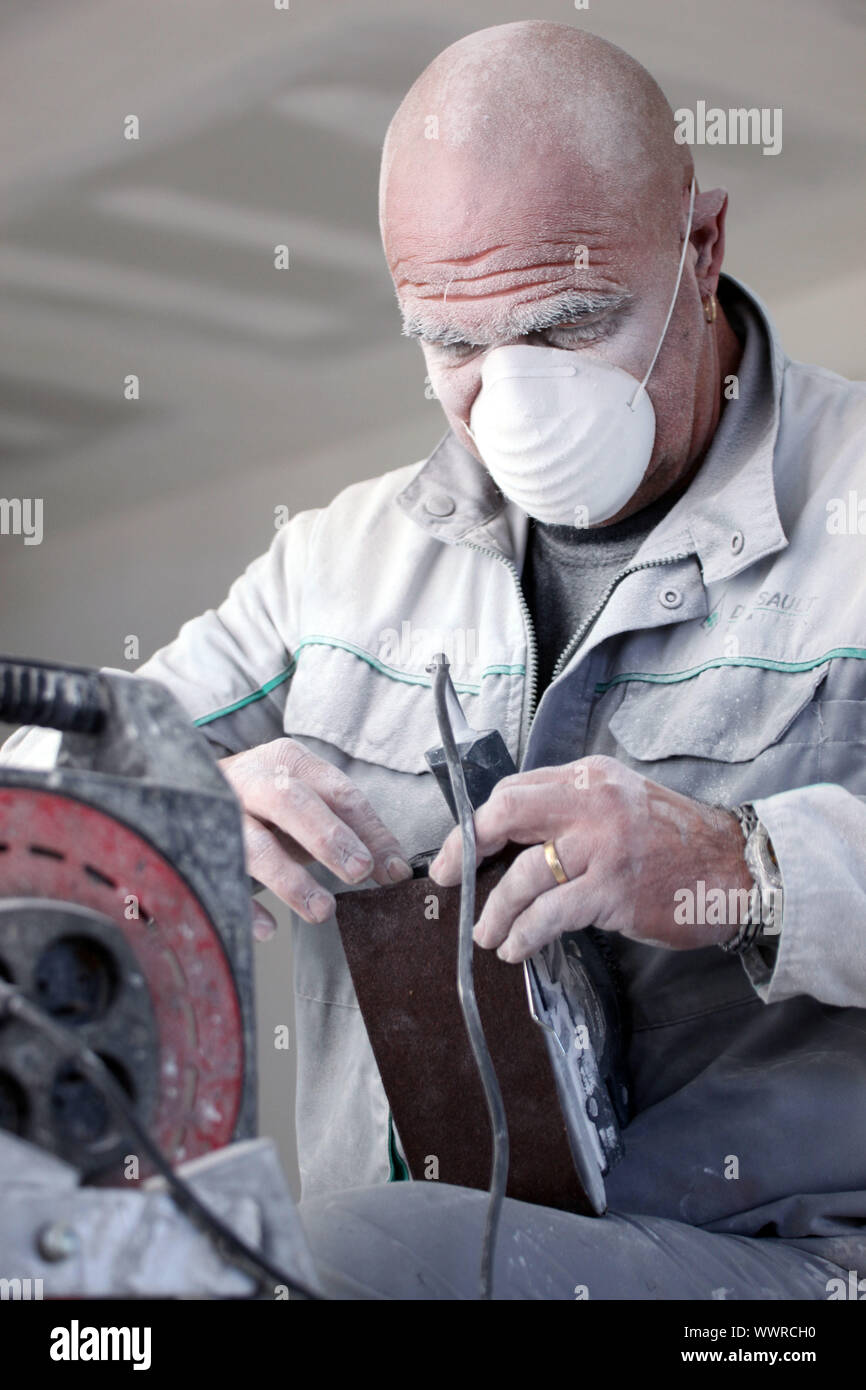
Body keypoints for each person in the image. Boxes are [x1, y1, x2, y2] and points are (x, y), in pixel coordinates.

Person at [4, 22, 866, 1299]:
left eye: (568, 325)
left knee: (345, 1251)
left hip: (786, 1282)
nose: (508, 405)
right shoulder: (338, 568)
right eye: (453, 346)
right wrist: (181, 803)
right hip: (422, 1268)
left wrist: (743, 867)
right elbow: (47, 781)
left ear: (700, 246)